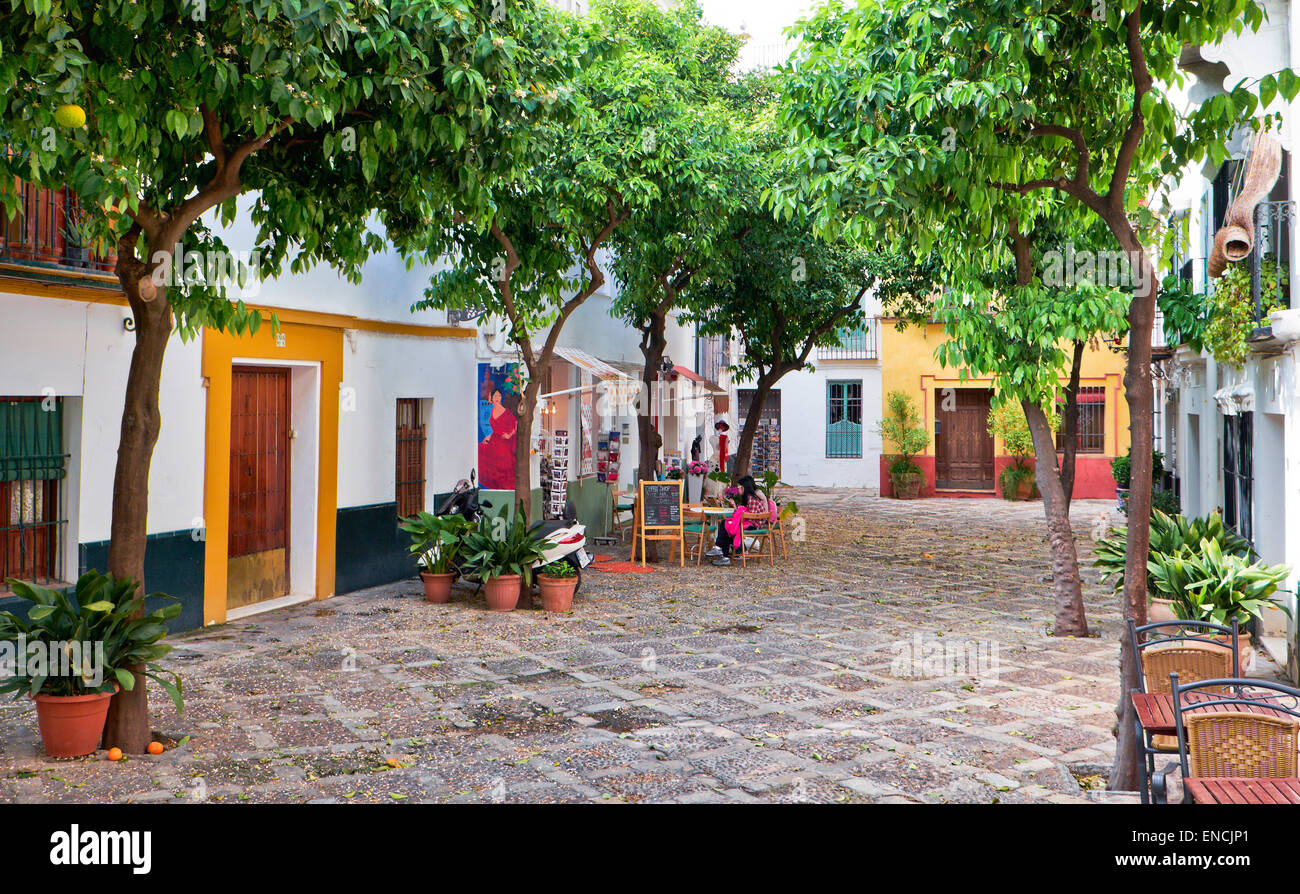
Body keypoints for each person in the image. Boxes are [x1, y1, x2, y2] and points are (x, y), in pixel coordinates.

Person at [706, 474, 768, 566]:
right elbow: (745, 513)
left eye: (739, 487)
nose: (738, 489)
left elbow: (752, 517)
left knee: (727, 525)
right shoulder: (750, 498)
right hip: (750, 523)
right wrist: (736, 507)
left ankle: (722, 552)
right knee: (728, 525)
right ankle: (723, 555)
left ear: (744, 488)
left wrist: (738, 514)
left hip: (754, 526)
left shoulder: (752, 500)